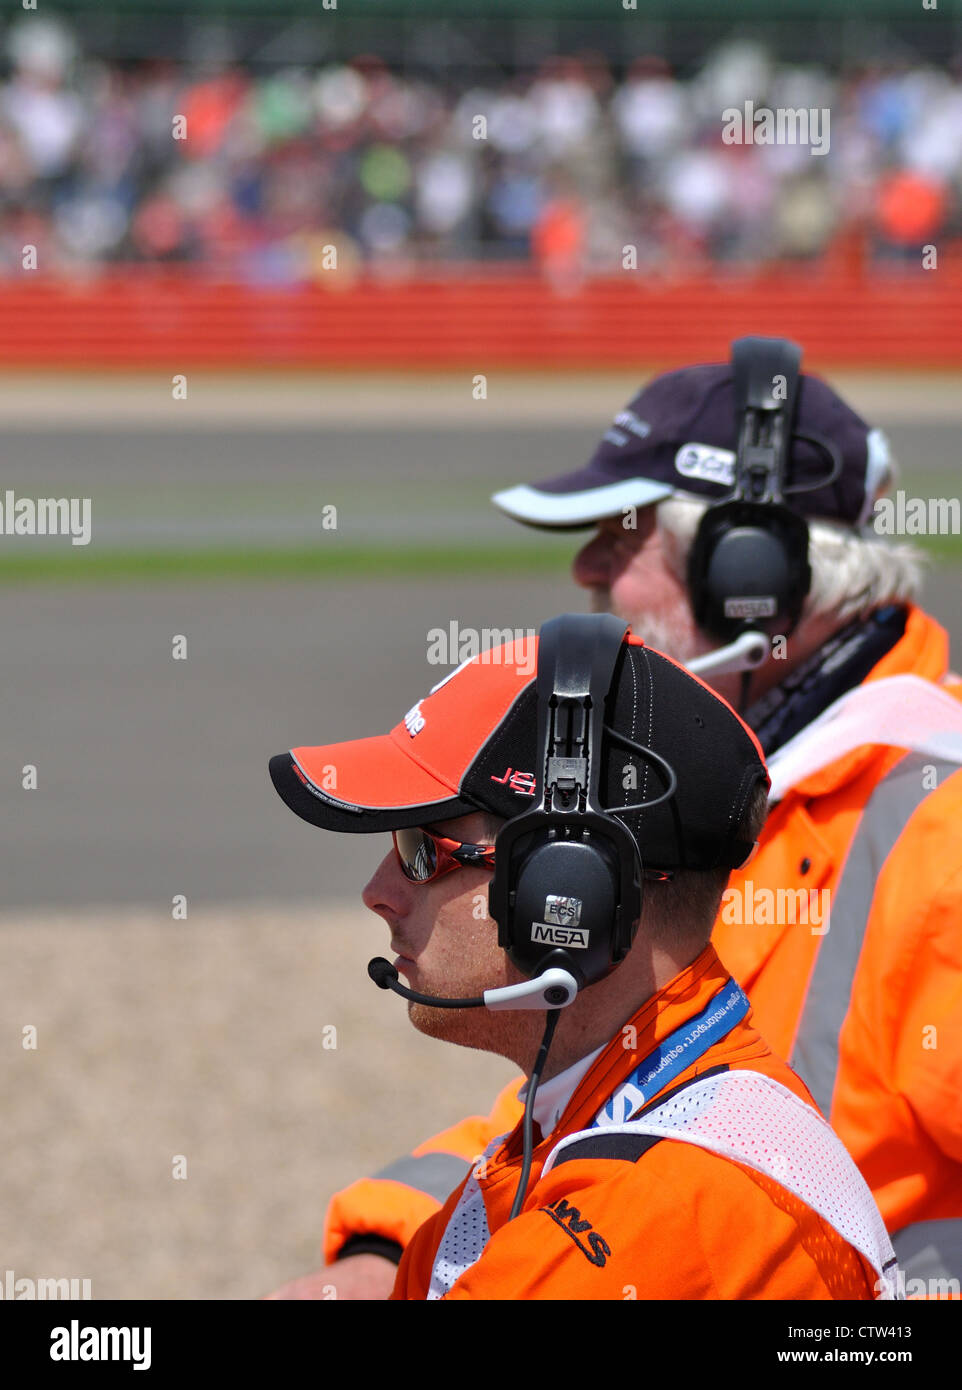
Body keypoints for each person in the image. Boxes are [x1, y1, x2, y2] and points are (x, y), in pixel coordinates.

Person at [270, 338, 962, 1302]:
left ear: (748, 575)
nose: (586, 563)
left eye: (622, 528)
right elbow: (610, 1081)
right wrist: (393, 1247)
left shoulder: (941, 838)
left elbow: (676, 1145)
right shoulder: (671, 798)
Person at [268, 615, 899, 1299]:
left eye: (420, 848)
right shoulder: (592, 1120)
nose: (377, 894)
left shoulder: (656, 1205)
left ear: (562, 889)